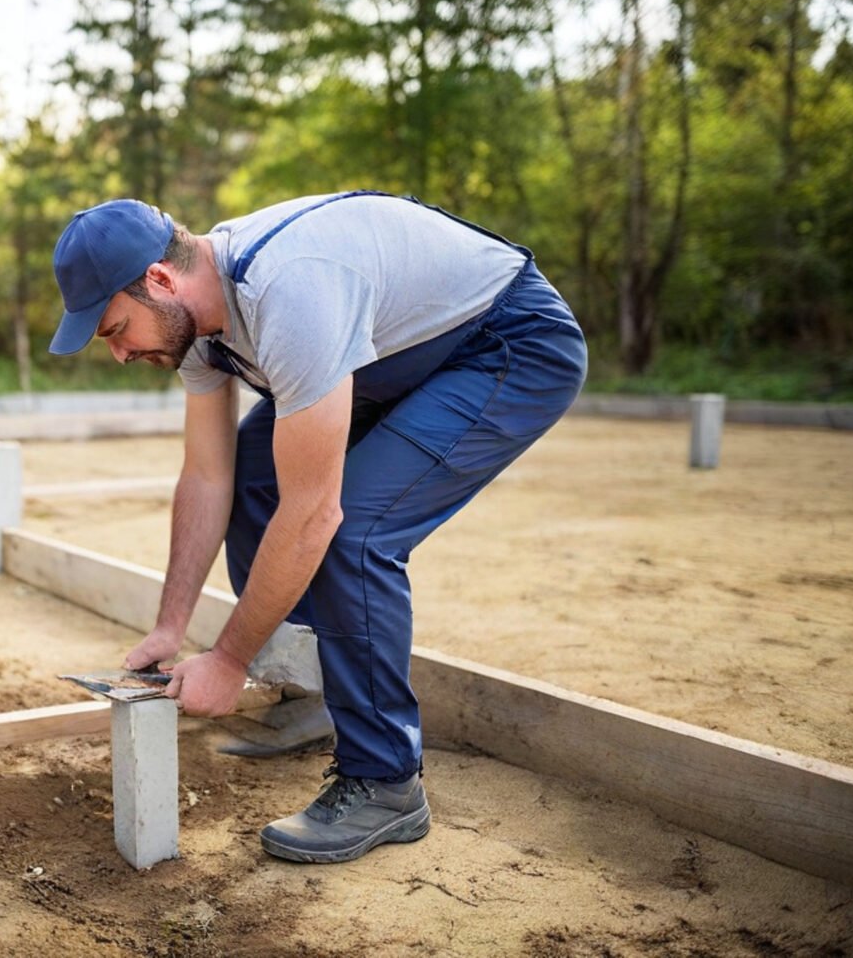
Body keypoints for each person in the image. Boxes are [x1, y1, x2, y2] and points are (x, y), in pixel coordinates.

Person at [47, 191, 587, 864]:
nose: (120, 353)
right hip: (400, 355)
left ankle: (385, 777)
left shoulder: (288, 290)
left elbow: (314, 516)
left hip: (505, 343)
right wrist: (171, 624)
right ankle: (310, 693)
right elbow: (208, 478)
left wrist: (229, 658)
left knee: (352, 531)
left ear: (158, 280)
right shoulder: (195, 327)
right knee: (252, 477)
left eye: (114, 330)